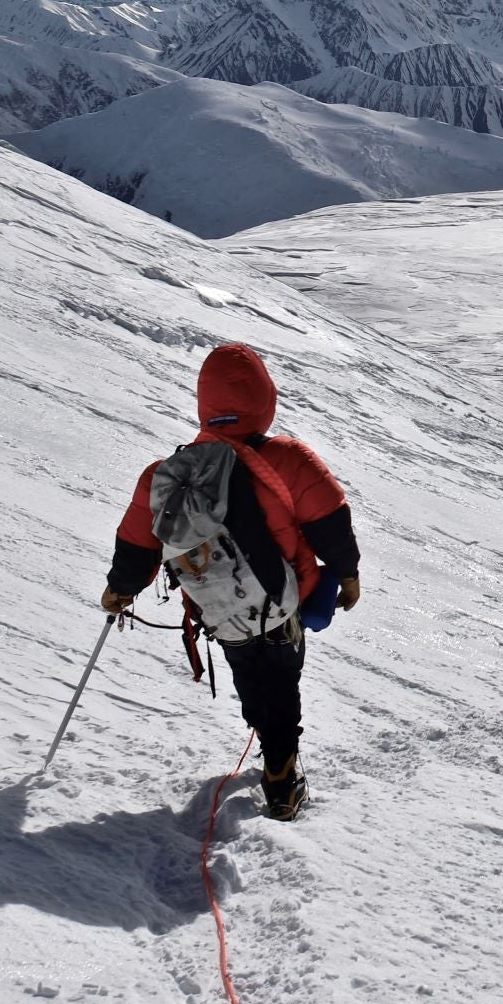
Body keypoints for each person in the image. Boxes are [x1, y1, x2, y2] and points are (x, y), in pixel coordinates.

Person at [101, 343, 361, 820]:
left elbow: (138, 542)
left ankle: (267, 739)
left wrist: (121, 589)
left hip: (218, 609)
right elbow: (330, 521)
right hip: (286, 602)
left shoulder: (166, 474)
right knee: (283, 678)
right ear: (265, 400)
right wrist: (347, 574)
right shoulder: (287, 457)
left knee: (249, 669)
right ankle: (281, 777)